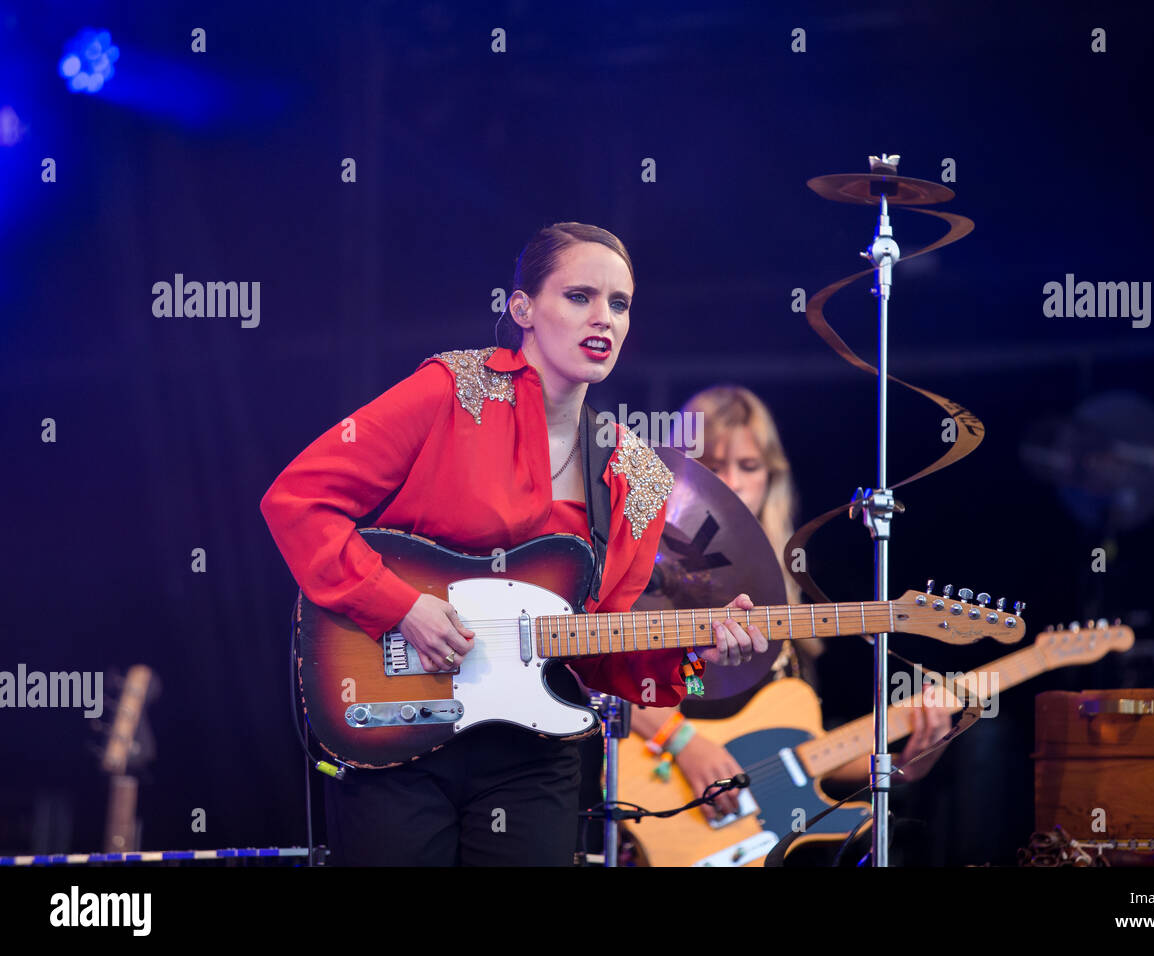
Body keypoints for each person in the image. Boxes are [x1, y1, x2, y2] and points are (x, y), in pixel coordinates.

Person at [259, 223, 768, 866]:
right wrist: (398, 604)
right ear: (521, 308)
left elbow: (601, 645)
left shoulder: (636, 476)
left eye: (620, 303)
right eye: (579, 296)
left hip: (532, 757)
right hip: (398, 722)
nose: (603, 318)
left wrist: (693, 645)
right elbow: (297, 502)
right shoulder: (450, 392)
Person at [625, 385, 953, 826]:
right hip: (653, 814)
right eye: (712, 465)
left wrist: (905, 764)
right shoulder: (641, 575)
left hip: (748, 837)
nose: (733, 482)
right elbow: (588, 677)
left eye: (749, 466)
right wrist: (685, 743)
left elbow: (802, 760)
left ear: (771, 478)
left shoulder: (788, 592)